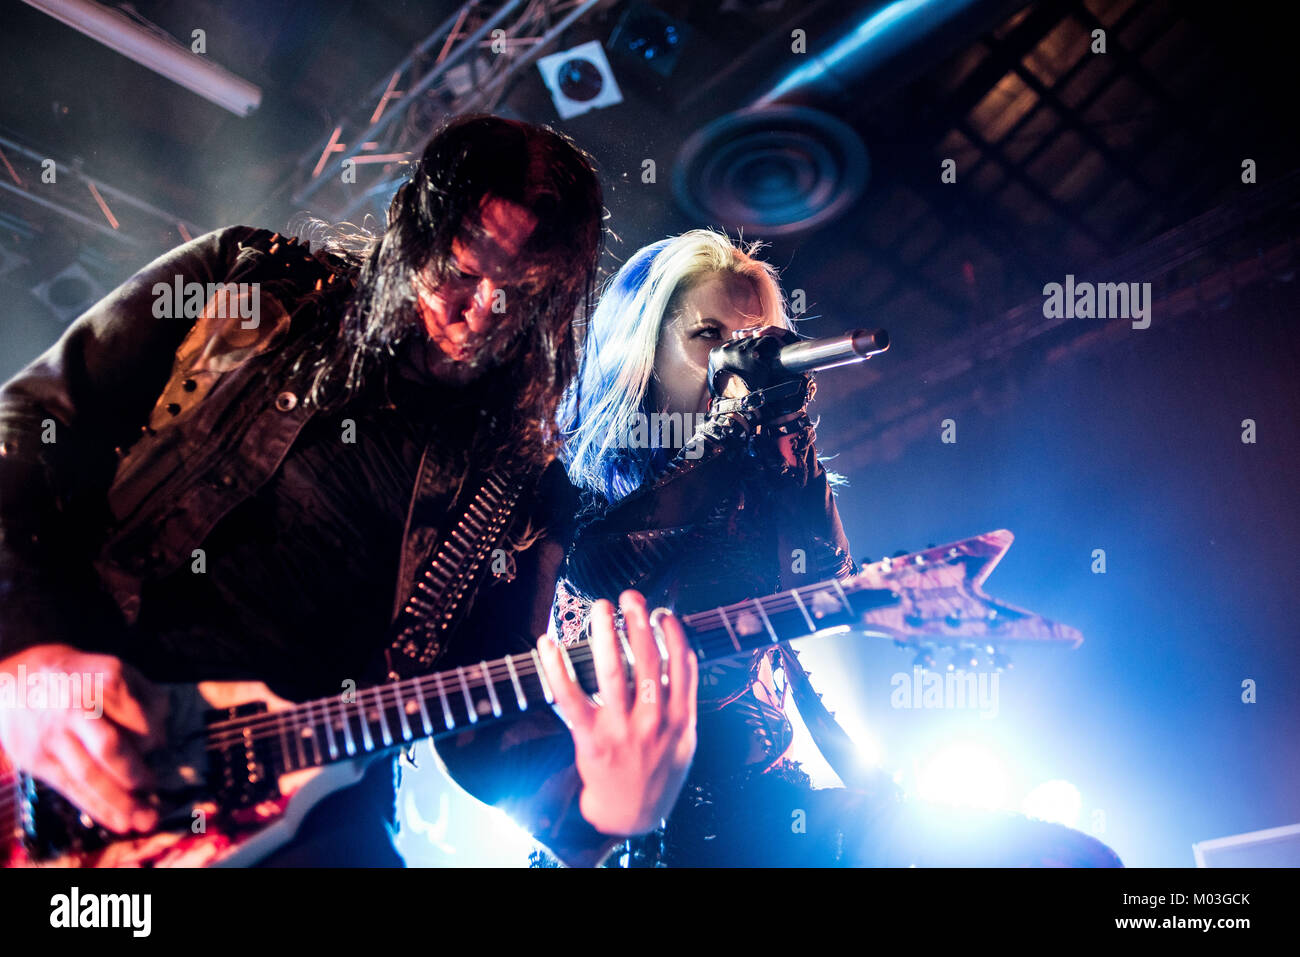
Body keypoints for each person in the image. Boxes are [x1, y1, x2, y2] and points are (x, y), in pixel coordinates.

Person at [0, 114, 695, 868]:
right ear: (415, 234)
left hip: (311, 818)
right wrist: (29, 659)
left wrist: (603, 810)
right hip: (82, 733)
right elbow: (30, 428)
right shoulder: (248, 284)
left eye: (520, 296)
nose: (480, 317)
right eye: (462, 273)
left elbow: (484, 727)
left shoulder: (525, 487)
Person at [552, 228, 1122, 866]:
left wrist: (785, 426)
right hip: (633, 832)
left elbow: (827, 575)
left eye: (752, 343)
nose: (733, 362)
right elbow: (607, 565)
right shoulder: (569, 481)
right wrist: (732, 418)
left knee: (1068, 859)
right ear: (642, 350)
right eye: (709, 338)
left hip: (772, 806)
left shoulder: (750, 476)